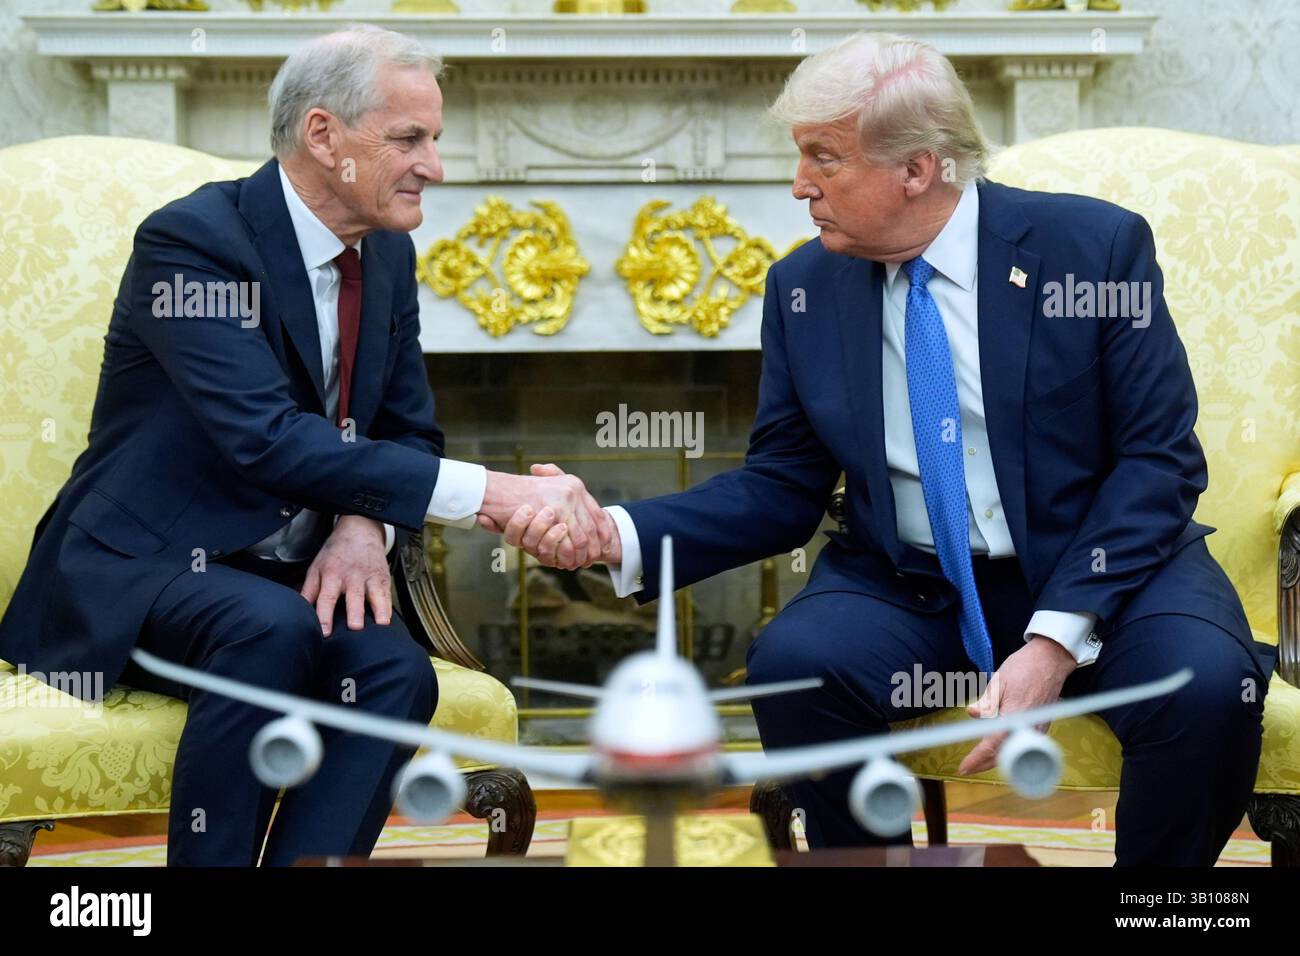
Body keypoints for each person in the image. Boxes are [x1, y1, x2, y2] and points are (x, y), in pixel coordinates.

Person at [508, 32, 1273, 866]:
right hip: (915, 587)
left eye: (823, 159)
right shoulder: (803, 286)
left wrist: (1054, 639)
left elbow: (1159, 460)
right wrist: (612, 532)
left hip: (1108, 573)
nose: (800, 185)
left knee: (1203, 688)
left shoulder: (1092, 251)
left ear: (918, 168)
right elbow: (781, 487)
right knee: (798, 664)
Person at [0, 24, 612, 866]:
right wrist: (497, 497)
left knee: (400, 676)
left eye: (435, 138)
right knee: (269, 629)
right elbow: (267, 439)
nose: (434, 164)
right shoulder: (192, 244)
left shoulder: (387, 254)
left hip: (285, 575)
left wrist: (363, 527)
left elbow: (407, 429)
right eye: (409, 139)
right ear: (324, 135)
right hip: (143, 565)